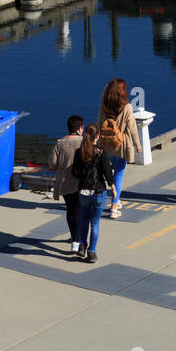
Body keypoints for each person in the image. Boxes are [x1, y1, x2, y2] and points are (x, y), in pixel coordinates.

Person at [97, 78, 142, 220]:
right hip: (121, 145)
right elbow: (132, 128)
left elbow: (99, 123)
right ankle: (114, 205)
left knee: (112, 171)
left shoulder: (104, 106)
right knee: (119, 174)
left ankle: (115, 200)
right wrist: (138, 144)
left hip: (107, 144)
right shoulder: (126, 107)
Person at [70, 124, 115, 263]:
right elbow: (107, 172)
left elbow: (74, 172)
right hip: (98, 191)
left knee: (84, 219)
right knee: (95, 222)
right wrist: (113, 187)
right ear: (97, 136)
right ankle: (92, 251)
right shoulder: (101, 152)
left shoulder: (79, 152)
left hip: (83, 191)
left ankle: (82, 245)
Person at [48, 115, 85, 254]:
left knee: (71, 210)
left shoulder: (60, 143)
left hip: (64, 182)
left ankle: (74, 238)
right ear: (80, 128)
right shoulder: (85, 142)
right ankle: (78, 239)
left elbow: (52, 163)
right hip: (82, 182)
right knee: (80, 211)